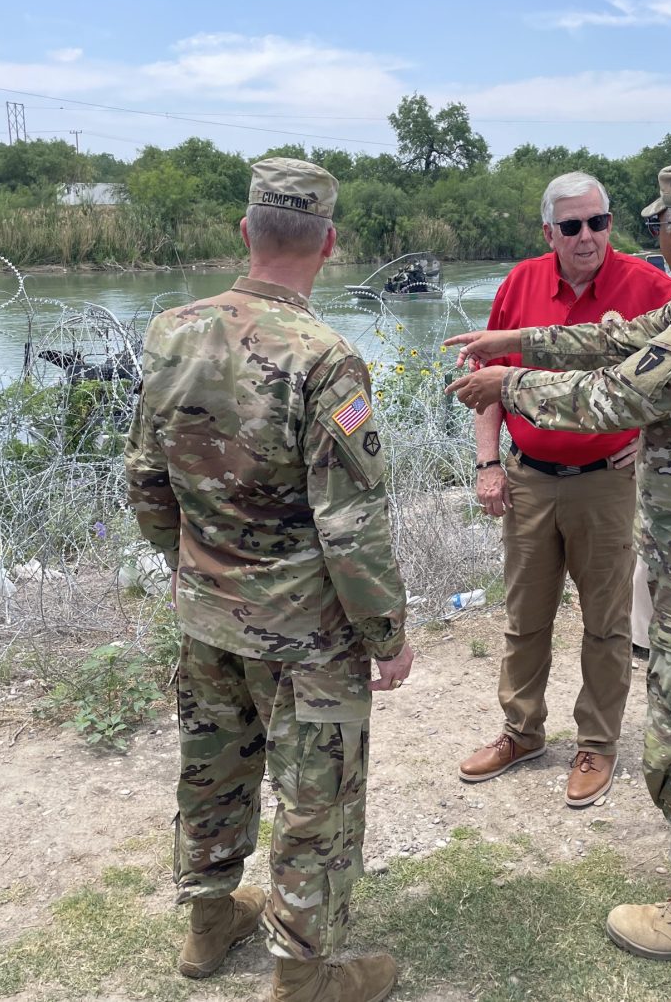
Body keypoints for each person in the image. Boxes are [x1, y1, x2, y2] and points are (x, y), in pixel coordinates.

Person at [443, 159, 671, 968]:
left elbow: (613, 394)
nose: (594, 238)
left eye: (614, 223)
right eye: (575, 226)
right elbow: (612, 337)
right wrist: (519, 339)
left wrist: (512, 381)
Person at [125, 157, 413, 1002]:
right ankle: (303, 973)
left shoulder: (170, 331)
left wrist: (196, 566)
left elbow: (146, 480)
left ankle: (209, 921)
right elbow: (350, 523)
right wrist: (386, 634)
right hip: (306, 635)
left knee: (213, 767)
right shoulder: (329, 359)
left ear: (247, 233)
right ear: (329, 244)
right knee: (315, 795)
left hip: (207, 612)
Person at [458, 171, 671, 807]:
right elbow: (489, 380)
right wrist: (487, 463)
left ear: (611, 224)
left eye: (599, 223)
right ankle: (521, 731)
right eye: (572, 226)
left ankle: (597, 744)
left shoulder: (652, 289)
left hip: (608, 483)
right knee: (524, 617)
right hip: (529, 478)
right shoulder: (521, 283)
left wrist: (657, 432)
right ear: (549, 232)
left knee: (607, 624)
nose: (588, 238)